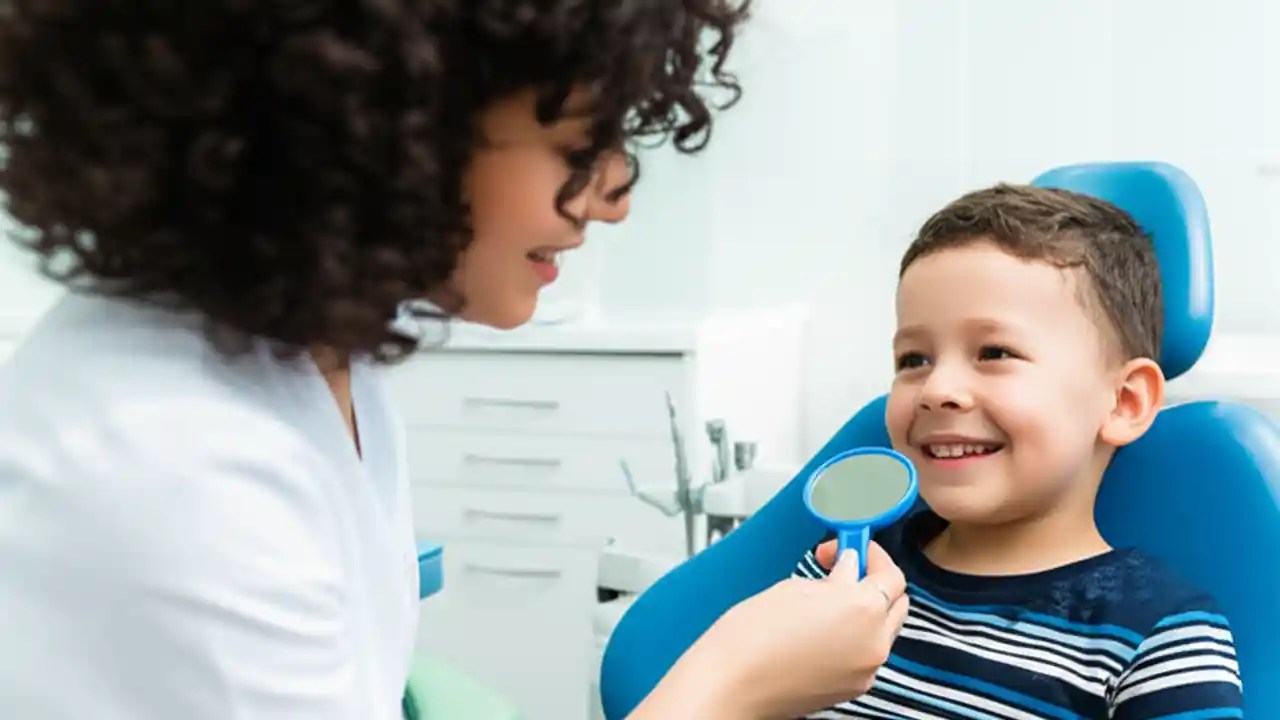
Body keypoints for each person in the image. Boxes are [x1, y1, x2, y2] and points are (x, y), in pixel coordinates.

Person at [0, 2, 908, 719]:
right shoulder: (176, 458)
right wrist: (729, 688)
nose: (615, 197)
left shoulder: (316, 361)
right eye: (574, 144)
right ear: (384, 122)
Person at [793, 185, 1244, 718]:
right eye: (913, 358)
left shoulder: (1158, 637)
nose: (937, 388)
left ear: (1123, 402)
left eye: (994, 352)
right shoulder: (849, 566)